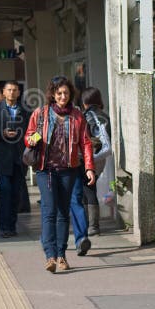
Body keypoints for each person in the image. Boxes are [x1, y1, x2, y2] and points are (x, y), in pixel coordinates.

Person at [25, 76, 95, 273]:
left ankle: (62, 255)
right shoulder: (41, 114)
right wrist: (33, 139)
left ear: (70, 94)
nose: (63, 96)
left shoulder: (77, 116)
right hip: (45, 170)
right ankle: (50, 256)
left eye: (66, 93)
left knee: (64, 213)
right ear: (53, 95)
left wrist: (89, 168)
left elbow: (85, 143)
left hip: (68, 170)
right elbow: (29, 136)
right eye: (59, 93)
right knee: (49, 211)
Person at [0, 80, 31, 238]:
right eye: (9, 90)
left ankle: (12, 225)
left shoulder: (25, 111)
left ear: (18, 92)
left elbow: (34, 130)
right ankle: (4, 227)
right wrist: (2, 134)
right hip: (3, 158)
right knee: (5, 192)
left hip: (20, 158)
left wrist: (32, 141)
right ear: (3, 92)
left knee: (16, 194)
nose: (12, 92)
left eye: (15, 90)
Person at [69, 87, 112, 253]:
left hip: (89, 157)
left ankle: (92, 225)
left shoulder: (87, 115)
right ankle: (92, 225)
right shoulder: (104, 114)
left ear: (85, 101)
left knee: (87, 190)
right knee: (90, 187)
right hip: (101, 157)